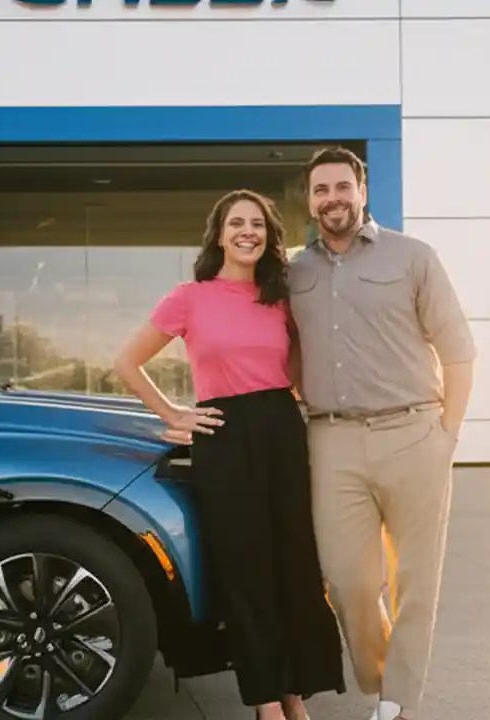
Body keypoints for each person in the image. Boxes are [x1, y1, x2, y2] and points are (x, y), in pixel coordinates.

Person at [113, 189, 346, 720]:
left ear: (269, 236)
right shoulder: (189, 297)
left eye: (259, 224)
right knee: (245, 575)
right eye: (237, 222)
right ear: (219, 233)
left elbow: (303, 369)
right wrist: (174, 413)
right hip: (225, 434)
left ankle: (295, 696)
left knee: (295, 568)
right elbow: (127, 362)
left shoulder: (280, 295)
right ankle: (266, 701)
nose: (249, 231)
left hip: (283, 431)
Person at [287, 147, 476, 720]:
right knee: (347, 581)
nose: (332, 199)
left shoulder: (414, 257)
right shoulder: (294, 270)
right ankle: (380, 675)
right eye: (321, 190)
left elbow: (459, 351)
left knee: (417, 580)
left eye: (342, 187)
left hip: (414, 432)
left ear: (362, 192)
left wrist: (447, 436)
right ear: (310, 199)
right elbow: (283, 351)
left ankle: (396, 702)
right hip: (332, 441)